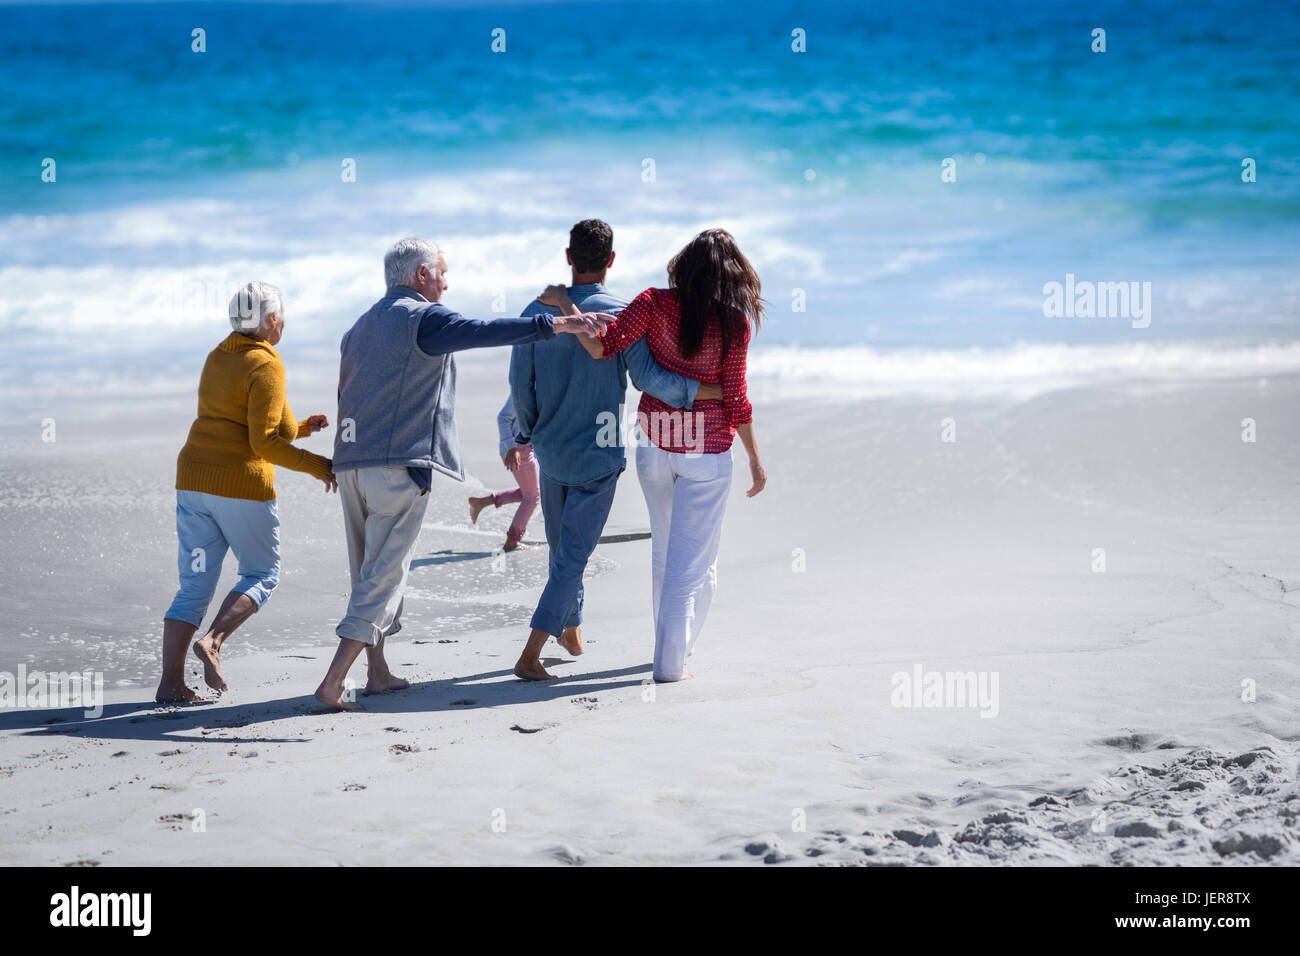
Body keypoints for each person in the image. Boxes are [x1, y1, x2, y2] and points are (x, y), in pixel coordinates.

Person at [313, 238, 611, 710]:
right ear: (421, 275)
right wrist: (560, 323)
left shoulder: (359, 325)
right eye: (442, 274)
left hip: (351, 463)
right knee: (384, 576)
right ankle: (333, 681)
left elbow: (348, 391)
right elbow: (482, 330)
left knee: (369, 574)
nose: (446, 283)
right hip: (397, 466)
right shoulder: (423, 318)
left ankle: (378, 672)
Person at [508, 219, 723, 680]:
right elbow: (647, 378)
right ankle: (529, 655)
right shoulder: (621, 314)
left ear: (569, 257)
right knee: (572, 557)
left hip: (551, 448)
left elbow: (519, 386)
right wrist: (699, 390)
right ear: (611, 261)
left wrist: (524, 434)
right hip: (598, 451)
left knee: (562, 549)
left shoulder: (537, 310)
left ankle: (573, 628)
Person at [560, 228, 767, 682]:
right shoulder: (734, 323)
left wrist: (567, 311)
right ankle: (670, 663)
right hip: (706, 452)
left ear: (683, 265)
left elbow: (601, 347)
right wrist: (753, 457)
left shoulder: (653, 303)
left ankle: (666, 647)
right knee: (694, 564)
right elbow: (736, 398)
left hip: (654, 445)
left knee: (666, 552)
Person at [156, 281, 336, 703]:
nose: (285, 322)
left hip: (194, 479)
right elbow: (264, 444)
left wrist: (305, 428)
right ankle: (214, 641)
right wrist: (319, 466)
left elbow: (263, 424)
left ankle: (170, 684)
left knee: (193, 586)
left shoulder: (218, 355)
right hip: (239, 485)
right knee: (261, 573)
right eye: (282, 315)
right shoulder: (267, 364)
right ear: (271, 320)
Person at [467, 396, 539, 551]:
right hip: (518, 450)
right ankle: (513, 540)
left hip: (527, 447)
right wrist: (511, 447)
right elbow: (503, 418)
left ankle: (481, 502)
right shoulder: (526, 385)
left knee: (532, 492)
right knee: (532, 497)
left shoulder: (545, 383)